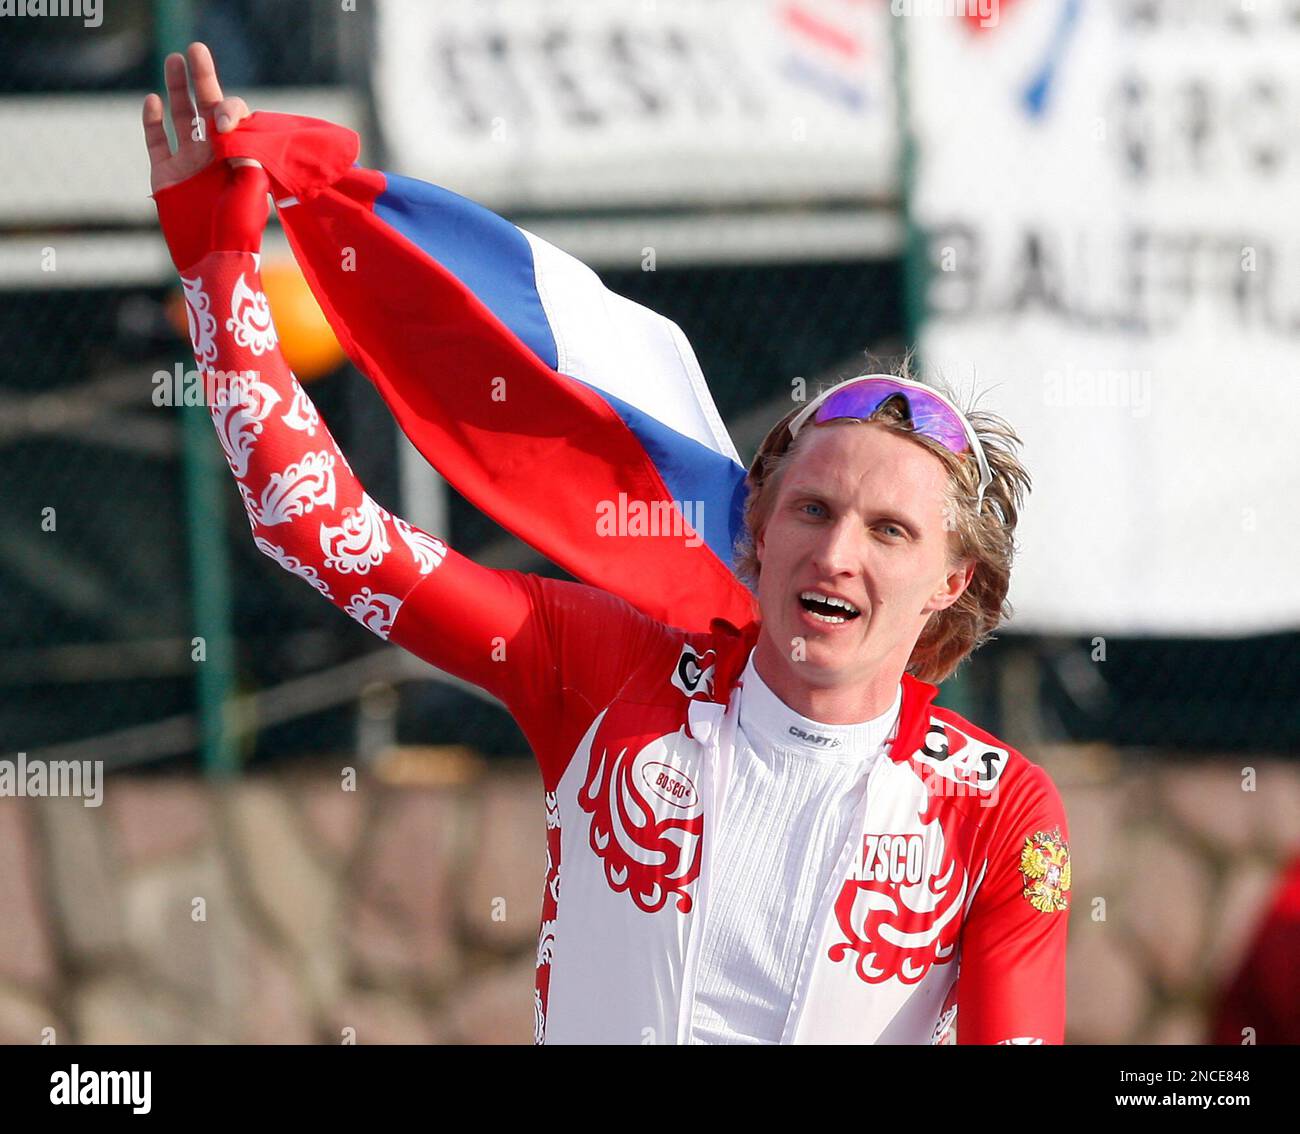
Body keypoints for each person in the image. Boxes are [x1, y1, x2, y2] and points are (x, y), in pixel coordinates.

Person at [143, 43, 1071, 1045]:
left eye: (889, 531)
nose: (836, 552)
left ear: (951, 580)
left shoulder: (1001, 807)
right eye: (811, 510)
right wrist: (218, 272)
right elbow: (318, 529)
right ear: (756, 530)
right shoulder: (596, 667)